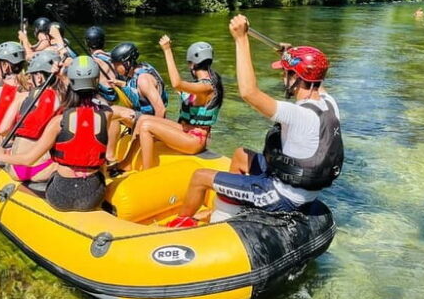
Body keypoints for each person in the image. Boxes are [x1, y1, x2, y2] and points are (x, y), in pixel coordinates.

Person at [167, 15, 344, 228]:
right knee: (241, 155)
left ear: (296, 78)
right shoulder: (329, 102)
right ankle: (228, 209)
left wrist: (241, 39)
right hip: (302, 191)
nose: (282, 78)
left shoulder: (297, 114)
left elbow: (249, 92)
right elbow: (315, 75)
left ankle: (177, 227)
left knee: (200, 177)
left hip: (281, 197)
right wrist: (289, 56)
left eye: (285, 73)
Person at [0, 56, 112, 212]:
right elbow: (99, 102)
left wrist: (1, 156)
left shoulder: (59, 121)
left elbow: (28, 159)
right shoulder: (107, 115)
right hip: (93, 196)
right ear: (95, 81)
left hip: (61, 196)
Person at [132, 37, 224, 170]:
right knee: (142, 119)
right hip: (187, 130)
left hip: (194, 140)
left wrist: (167, 50)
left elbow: (176, 84)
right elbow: (187, 93)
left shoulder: (207, 86)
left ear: (192, 64)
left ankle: (147, 173)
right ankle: (128, 162)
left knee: (146, 126)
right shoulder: (202, 84)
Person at [1, 50, 65, 184]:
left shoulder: (22, 96)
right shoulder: (63, 98)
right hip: (43, 167)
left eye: (30, 76)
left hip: (16, 168)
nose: (29, 80)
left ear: (39, 77)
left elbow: (3, 129)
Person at [103, 42, 168, 166]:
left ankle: (109, 157)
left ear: (127, 63)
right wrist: (120, 83)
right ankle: (110, 154)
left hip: (149, 122)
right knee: (113, 113)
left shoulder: (144, 79)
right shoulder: (139, 69)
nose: (115, 68)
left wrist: (154, 136)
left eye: (117, 64)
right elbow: (138, 92)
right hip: (143, 118)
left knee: (112, 111)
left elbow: (161, 110)